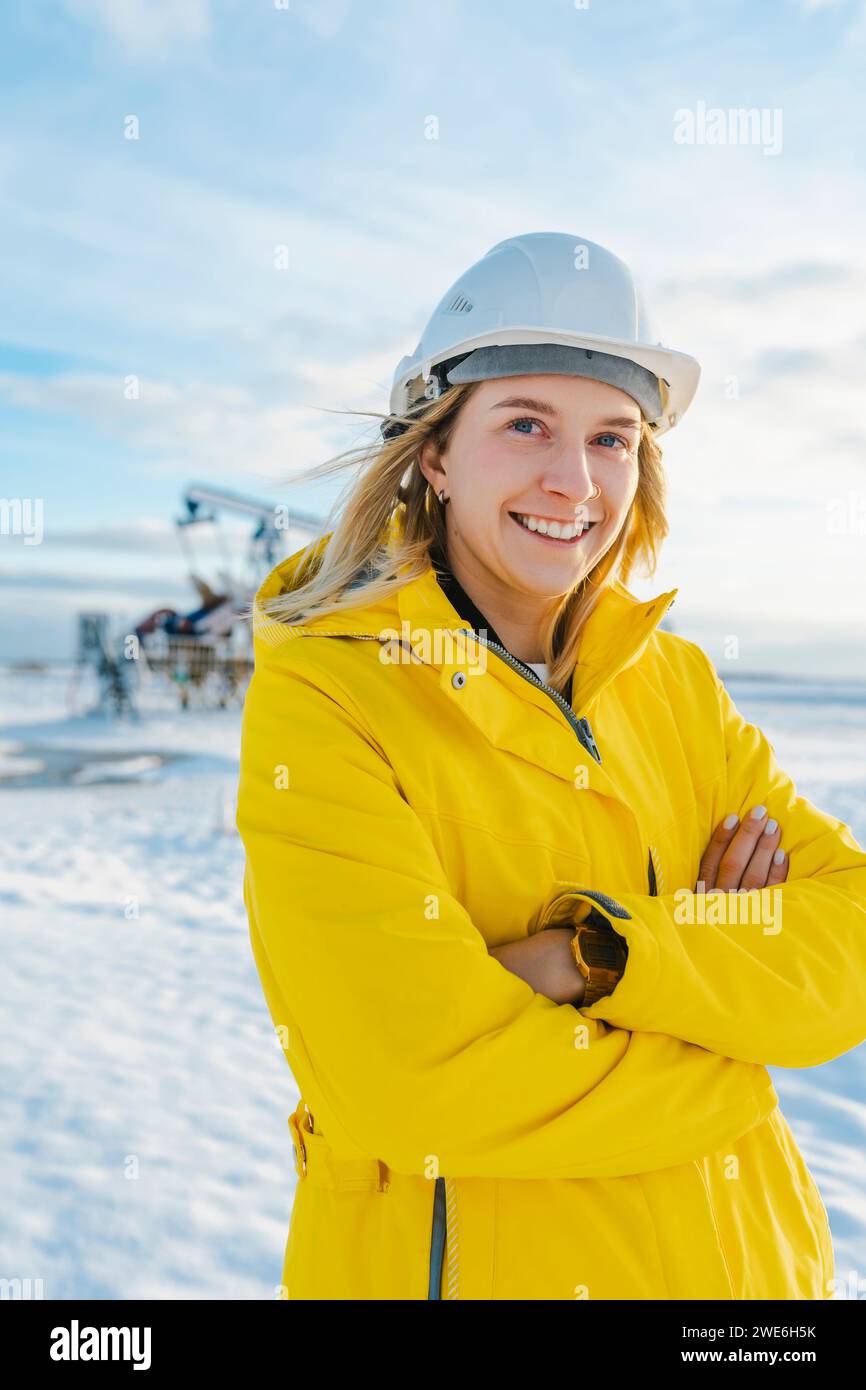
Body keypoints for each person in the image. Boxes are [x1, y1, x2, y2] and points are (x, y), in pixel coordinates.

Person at [235, 232, 866, 1300]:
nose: (573, 480)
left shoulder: (673, 684)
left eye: (612, 438)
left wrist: (596, 958)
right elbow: (414, 1082)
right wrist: (733, 1041)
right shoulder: (330, 697)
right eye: (525, 423)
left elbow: (845, 934)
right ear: (434, 451)